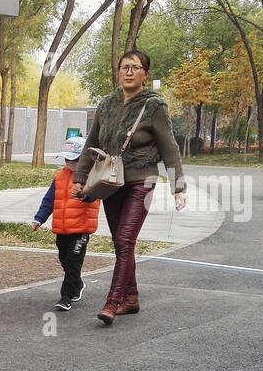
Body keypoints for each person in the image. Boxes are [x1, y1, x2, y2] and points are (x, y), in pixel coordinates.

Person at [70, 49, 186, 325]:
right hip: (110, 182)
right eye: (125, 67)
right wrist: (79, 178)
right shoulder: (106, 104)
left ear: (146, 74)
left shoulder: (155, 106)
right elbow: (91, 143)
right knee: (121, 243)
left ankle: (113, 301)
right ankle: (131, 298)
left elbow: (170, 148)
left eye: (135, 67)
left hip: (141, 180)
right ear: (119, 72)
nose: (129, 71)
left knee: (124, 240)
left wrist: (177, 186)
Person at [31, 135, 96, 311]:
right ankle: (78, 283)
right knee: (64, 259)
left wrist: (85, 194)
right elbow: (49, 200)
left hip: (81, 227)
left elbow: (94, 197)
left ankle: (66, 296)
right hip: (62, 228)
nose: (69, 162)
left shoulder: (91, 176)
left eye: (74, 159)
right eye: (67, 158)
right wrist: (39, 218)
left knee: (73, 261)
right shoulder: (59, 177)